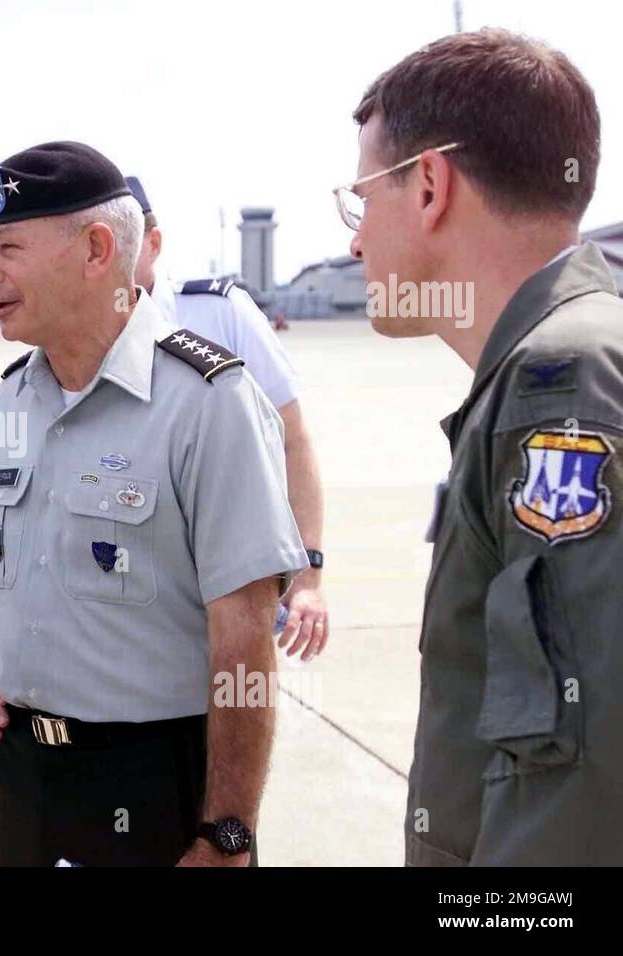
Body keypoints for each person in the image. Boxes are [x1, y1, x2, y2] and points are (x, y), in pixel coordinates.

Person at [0, 141, 307, 866]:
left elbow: (244, 640)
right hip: (28, 774)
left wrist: (227, 833)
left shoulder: (210, 404)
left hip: (157, 787)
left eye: (6, 247)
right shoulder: (15, 394)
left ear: (96, 249)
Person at [342, 29, 623, 865]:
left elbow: (583, 767)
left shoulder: (560, 379)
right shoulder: (553, 363)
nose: (356, 242)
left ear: (430, 184)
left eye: (362, 200)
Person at [126, 175, 329, 657]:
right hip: (133, 594)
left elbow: (293, 438)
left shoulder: (219, 312)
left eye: (122, 244)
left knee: (238, 714)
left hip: (233, 576)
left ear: (153, 244)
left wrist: (308, 577)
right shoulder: (70, 335)